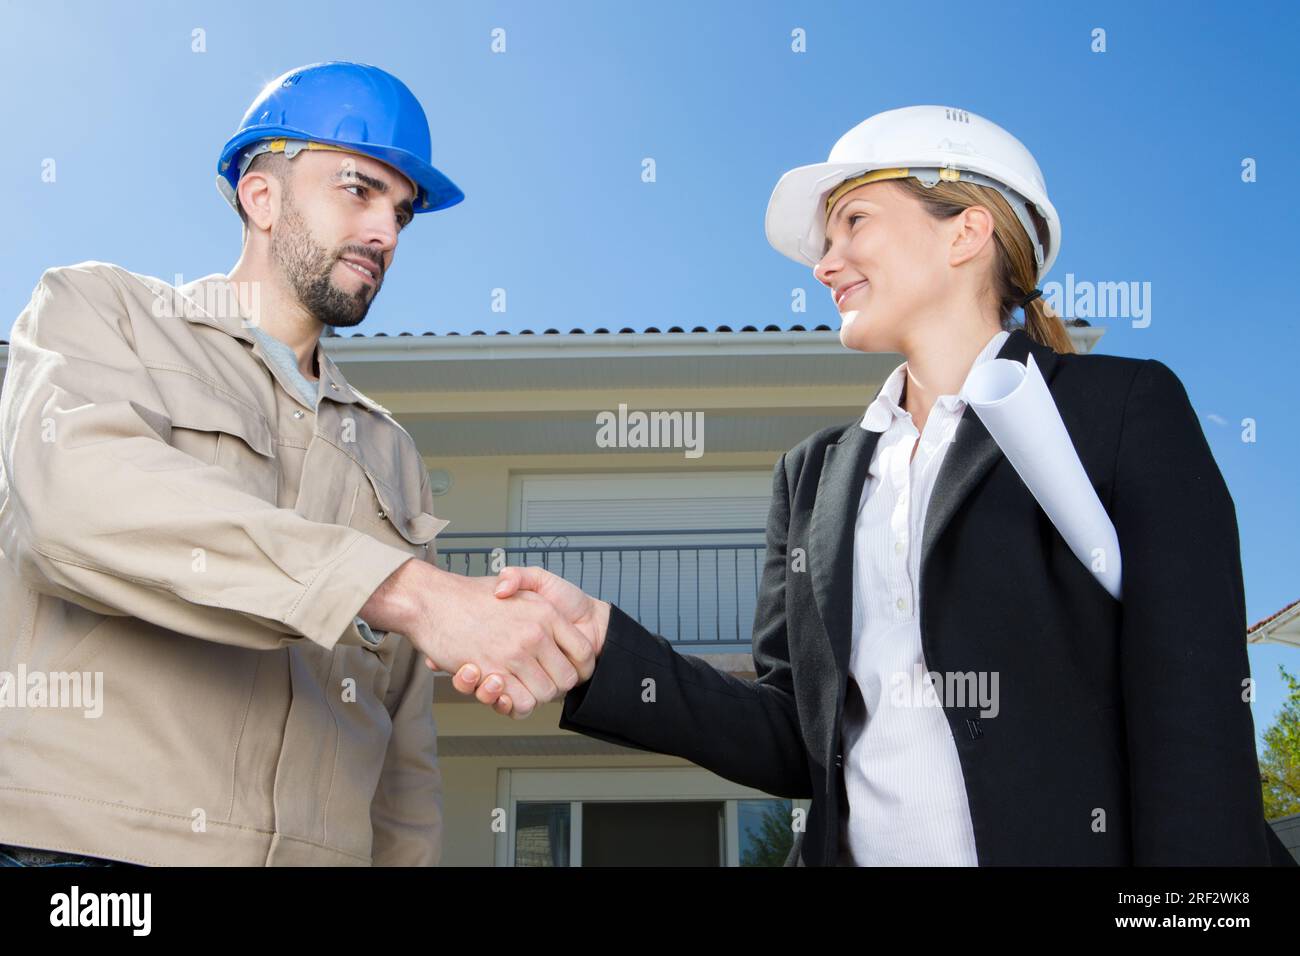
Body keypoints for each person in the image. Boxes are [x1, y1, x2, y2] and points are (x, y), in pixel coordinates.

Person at [452, 105, 1296, 866]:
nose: (826, 263)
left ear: (965, 232)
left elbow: (1195, 713)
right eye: (826, 239)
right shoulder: (815, 477)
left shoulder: (1119, 410)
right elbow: (796, 733)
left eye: (853, 221)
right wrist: (605, 646)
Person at [0, 61, 594, 867]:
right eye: (358, 189)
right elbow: (71, 504)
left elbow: (403, 738)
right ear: (261, 195)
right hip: (85, 860)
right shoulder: (103, 313)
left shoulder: (390, 452)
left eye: (402, 212)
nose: (386, 231)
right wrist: (406, 592)